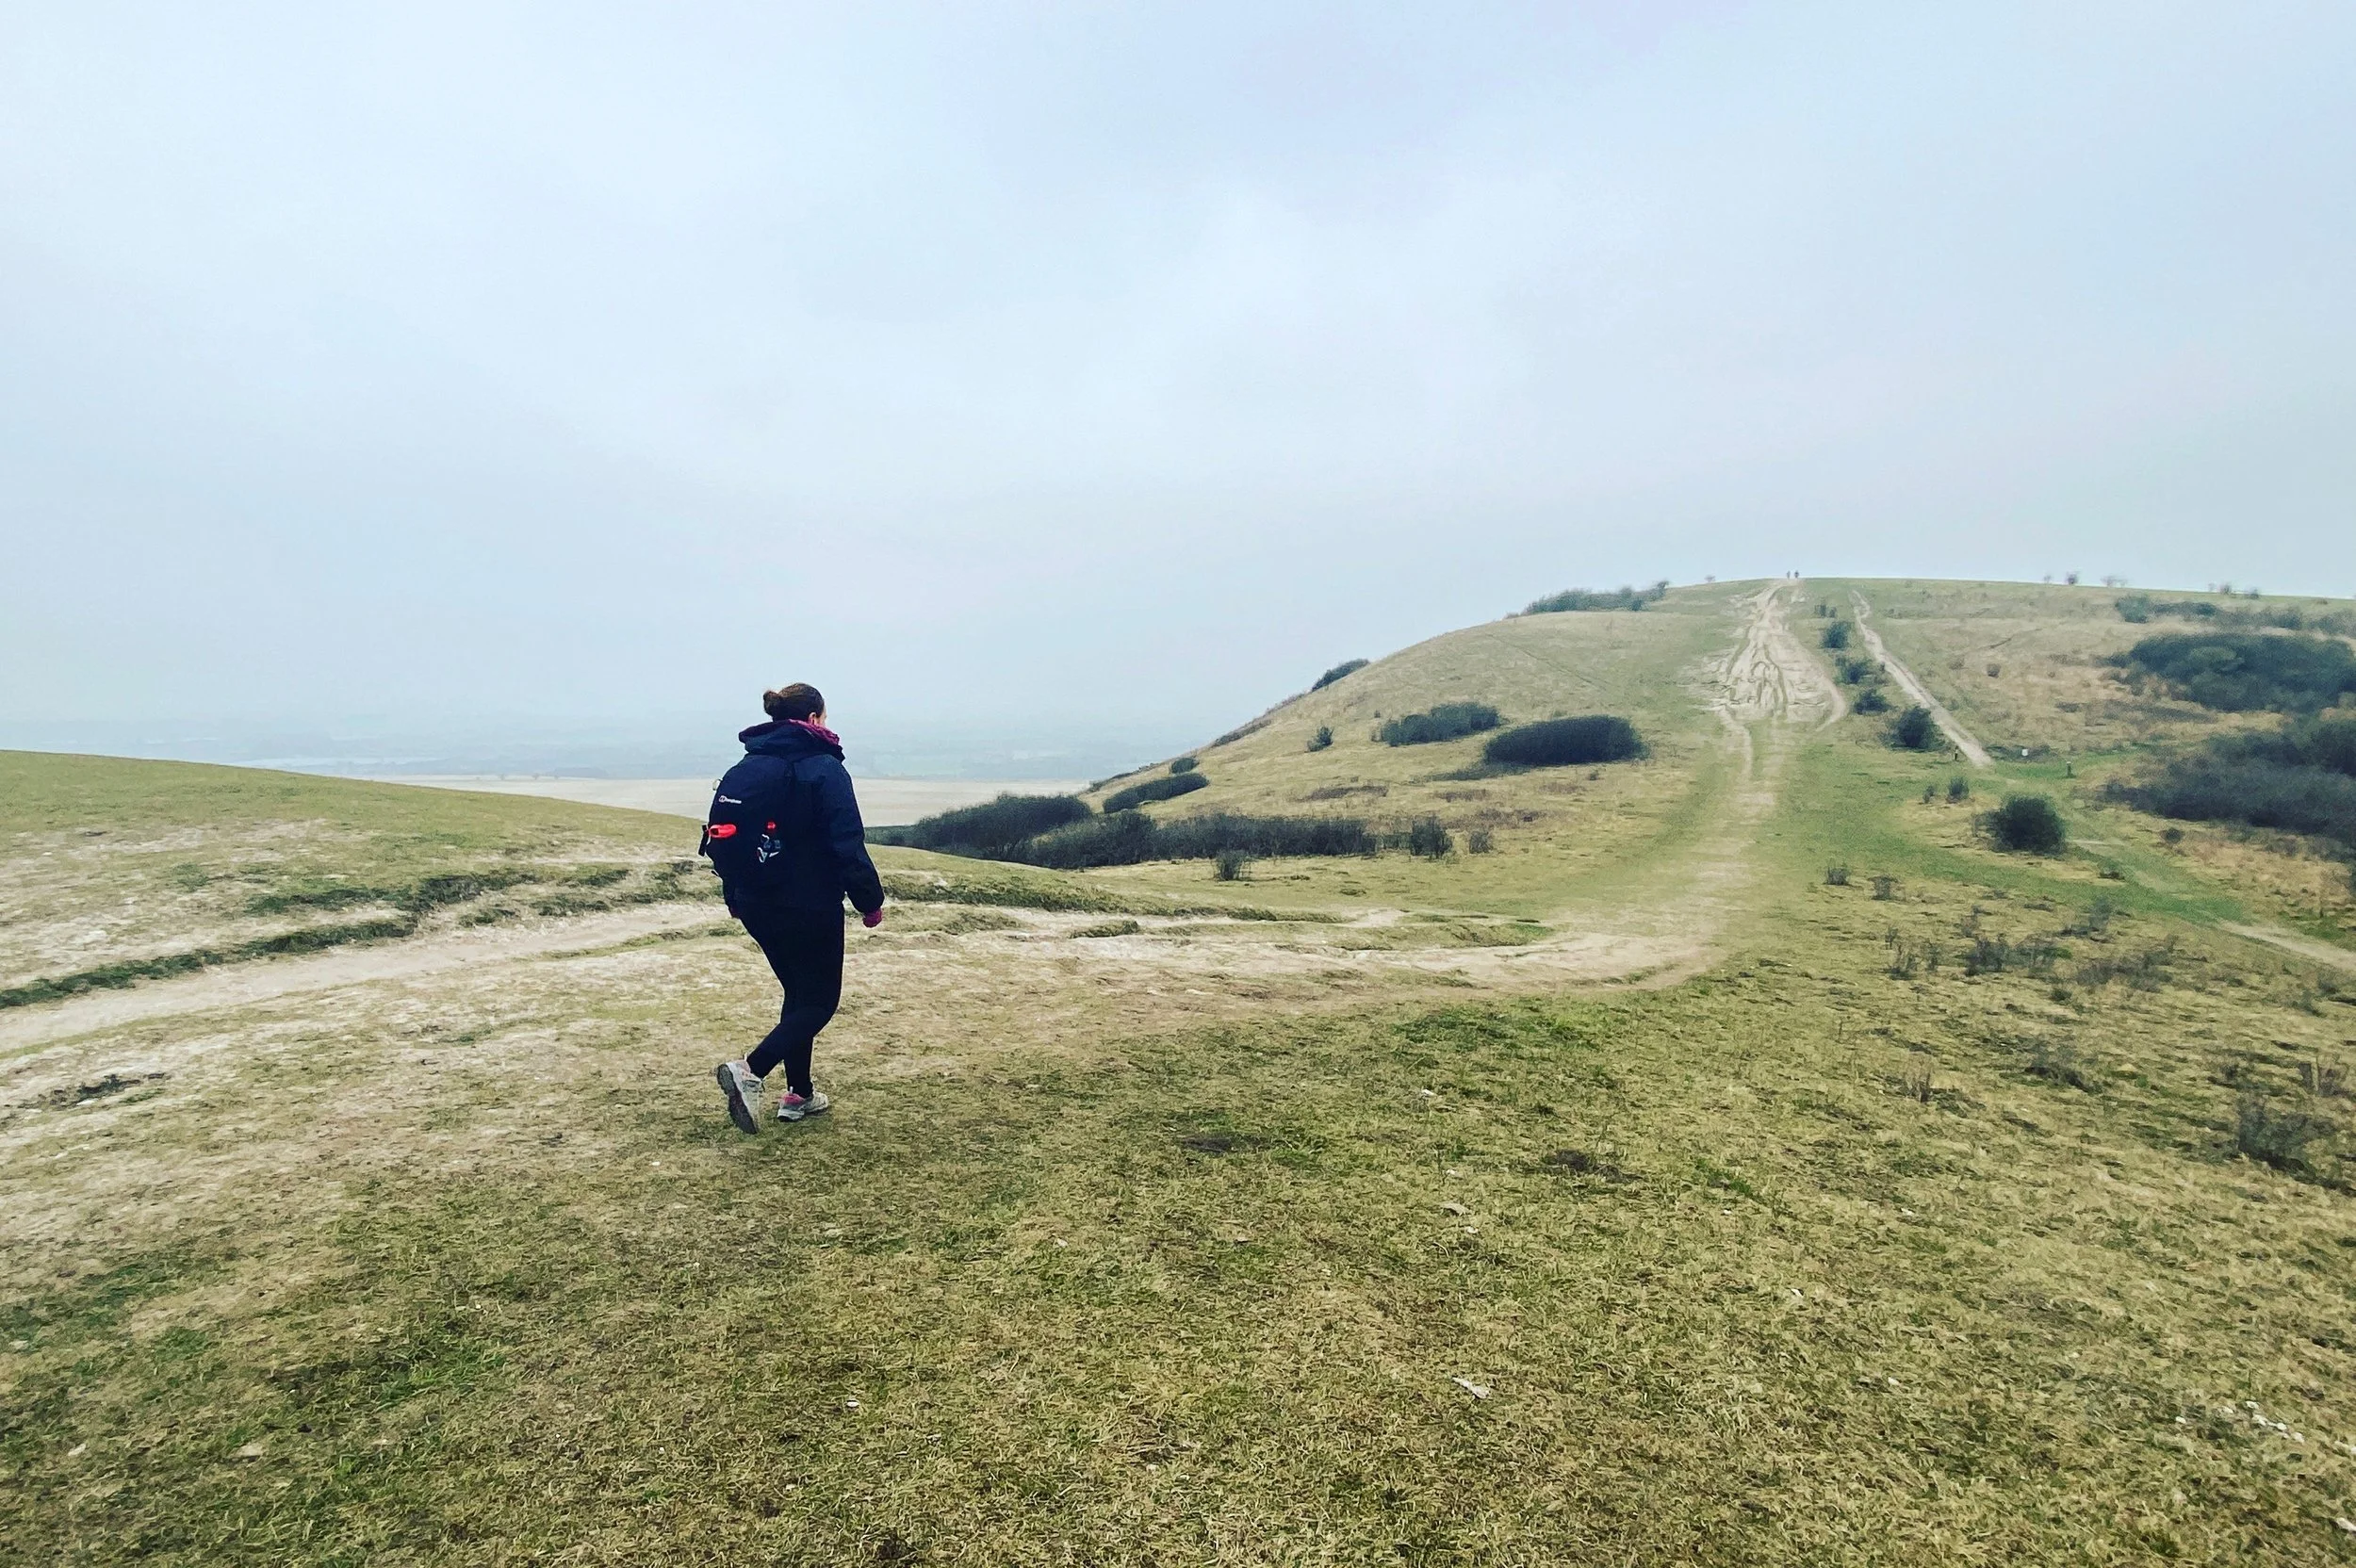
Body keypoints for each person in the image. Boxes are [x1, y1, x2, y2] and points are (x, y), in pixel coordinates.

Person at [703, 682, 885, 1134]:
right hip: (809, 903)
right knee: (819, 1001)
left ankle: (799, 1094)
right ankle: (750, 1071)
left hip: (755, 902)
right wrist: (869, 901)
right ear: (815, 718)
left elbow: (723, 835)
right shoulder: (824, 767)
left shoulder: (749, 764)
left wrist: (734, 895)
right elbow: (847, 842)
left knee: (799, 993)